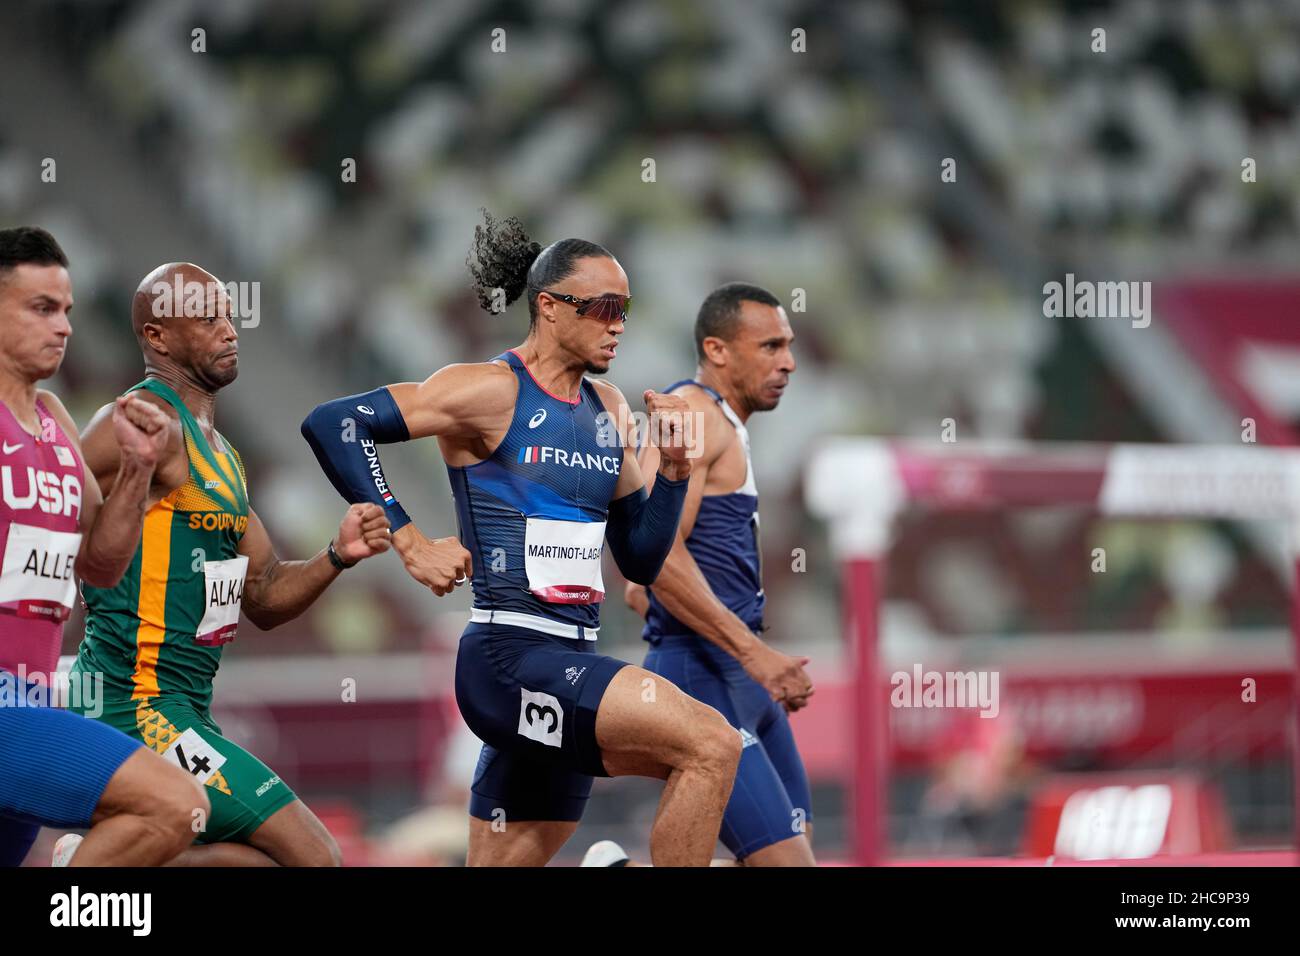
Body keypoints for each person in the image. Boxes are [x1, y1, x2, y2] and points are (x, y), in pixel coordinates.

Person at [301, 211, 742, 866]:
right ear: (550, 308)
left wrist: (674, 475)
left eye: (626, 307)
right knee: (712, 745)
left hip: (571, 659)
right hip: (509, 659)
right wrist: (409, 537)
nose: (619, 322)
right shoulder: (489, 391)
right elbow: (334, 424)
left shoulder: (611, 410)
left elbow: (642, 559)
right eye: (602, 307)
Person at [67, 262, 390, 866]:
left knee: (261, 862)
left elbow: (264, 594)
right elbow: (53, 499)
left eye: (230, 315)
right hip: (133, 702)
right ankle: (92, 871)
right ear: (157, 336)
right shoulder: (138, 422)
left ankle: (101, 864)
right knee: (317, 857)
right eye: (208, 317)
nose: (230, 329)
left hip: (186, 705)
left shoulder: (223, 457)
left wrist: (336, 555)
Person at [583, 282, 815, 867]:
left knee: (785, 854)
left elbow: (641, 585)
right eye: (769, 346)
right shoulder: (691, 417)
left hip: (737, 676)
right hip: (706, 678)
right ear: (717, 350)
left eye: (787, 345)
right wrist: (750, 651)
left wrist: (740, 649)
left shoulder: (723, 424)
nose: (787, 361)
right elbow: (653, 557)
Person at [0, 226, 208, 867]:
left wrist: (140, 470)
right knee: (177, 803)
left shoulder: (57, 421)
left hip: (34, 695)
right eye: (41, 308)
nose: (62, 326)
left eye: (67, 310)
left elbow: (101, 563)